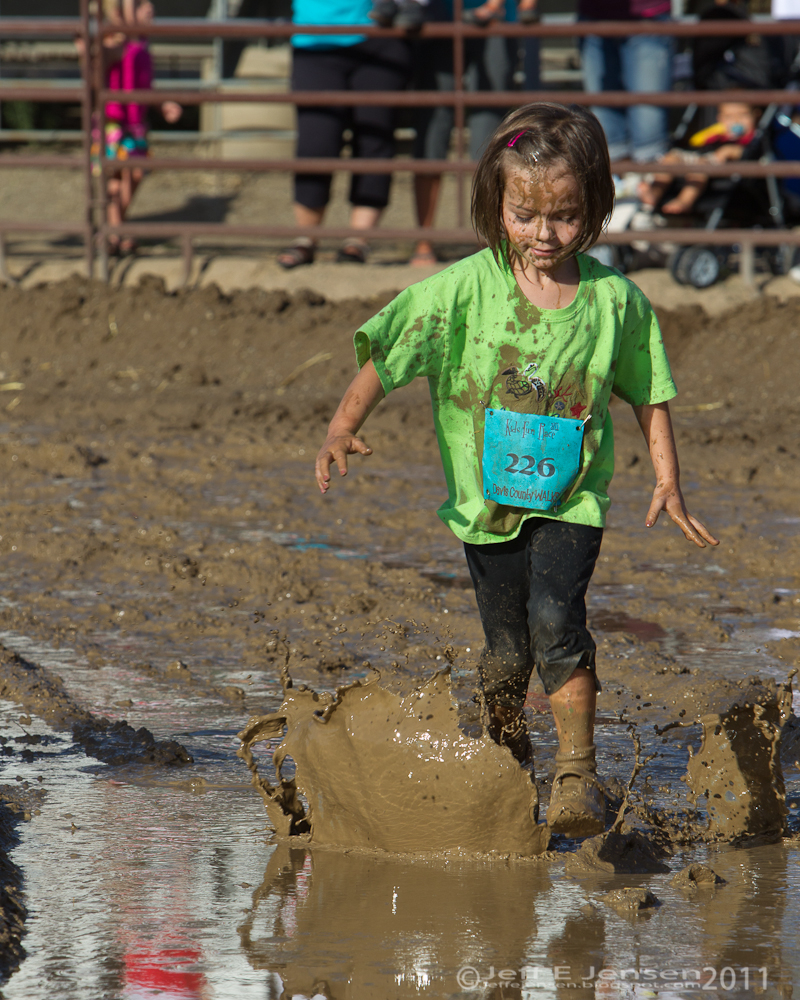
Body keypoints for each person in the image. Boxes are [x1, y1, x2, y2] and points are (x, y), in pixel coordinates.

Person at [314, 103, 718, 838]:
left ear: (595, 206)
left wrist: (668, 479)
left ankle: (577, 776)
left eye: (564, 216)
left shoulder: (614, 302)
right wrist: (344, 426)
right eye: (525, 213)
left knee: (556, 624)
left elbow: (649, 391)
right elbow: (389, 353)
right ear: (496, 203)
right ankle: (505, 764)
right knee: (505, 655)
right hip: (485, 508)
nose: (543, 233)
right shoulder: (463, 290)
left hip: (572, 502)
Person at [277, 1, 411, 269]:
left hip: (379, 34)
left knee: (375, 137)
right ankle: (306, 238)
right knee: (316, 141)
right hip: (314, 39)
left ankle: (358, 241)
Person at [410, 0, 536, 267]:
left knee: (489, 137)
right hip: (439, 17)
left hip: (495, 21)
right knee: (433, 127)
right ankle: (423, 241)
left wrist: (493, 6)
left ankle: (489, 242)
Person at [91, 0, 182, 255]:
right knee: (121, 175)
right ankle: (115, 231)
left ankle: (113, 230)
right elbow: (102, 60)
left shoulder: (143, 44)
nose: (150, 8)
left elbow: (145, 85)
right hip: (114, 122)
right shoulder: (117, 42)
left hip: (136, 122)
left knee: (132, 175)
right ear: (120, 12)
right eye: (140, 4)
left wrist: (162, 104)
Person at [579, 0, 673, 163]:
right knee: (606, 129)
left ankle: (647, 182)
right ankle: (614, 181)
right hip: (593, 16)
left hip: (648, 15)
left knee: (648, 127)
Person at [638, 101, 760, 214]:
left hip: (716, 165)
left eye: (742, 115)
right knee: (670, 158)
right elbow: (695, 143)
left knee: (700, 166)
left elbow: (745, 153)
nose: (736, 121)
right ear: (720, 119)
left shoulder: (753, 137)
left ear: (755, 115)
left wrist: (728, 151)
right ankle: (654, 192)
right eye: (729, 117)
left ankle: (685, 200)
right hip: (699, 157)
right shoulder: (715, 134)